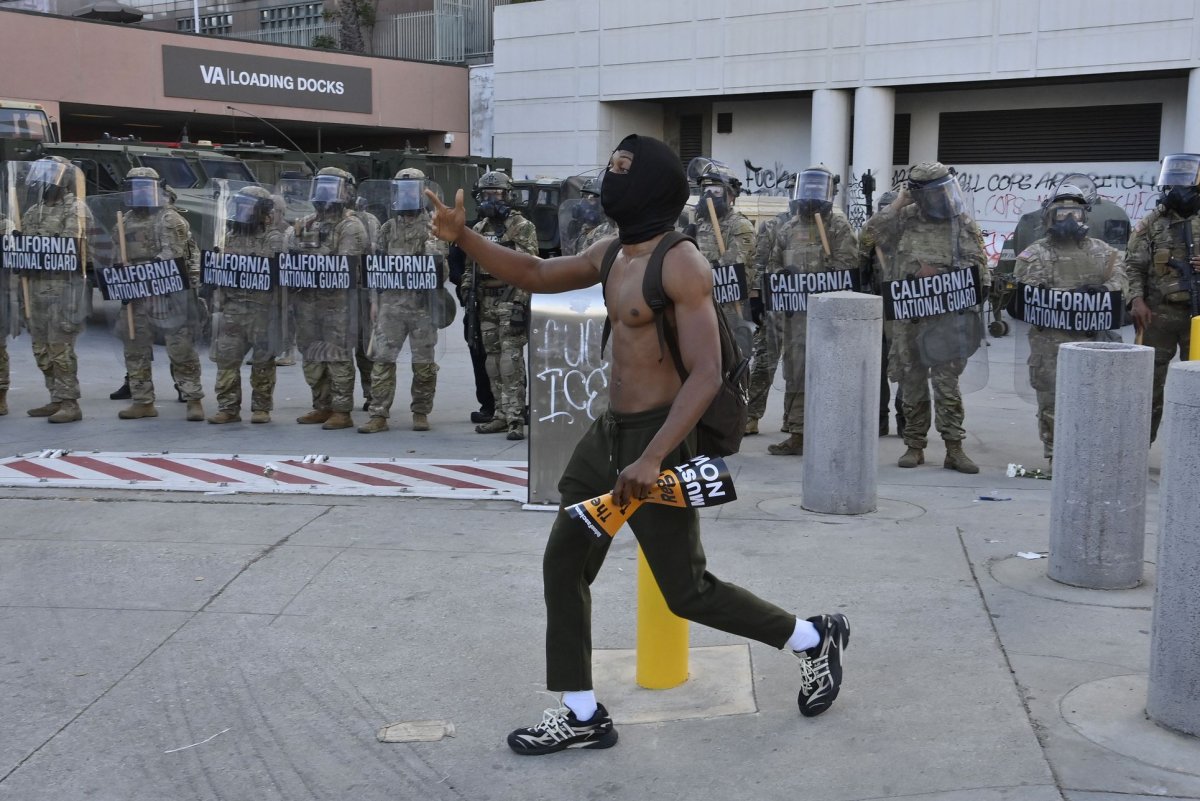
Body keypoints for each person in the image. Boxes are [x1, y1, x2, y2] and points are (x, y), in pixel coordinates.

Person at [426, 134, 849, 756]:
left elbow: (705, 373)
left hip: (660, 443)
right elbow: (538, 273)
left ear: (650, 183)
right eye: (611, 166)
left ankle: (813, 638)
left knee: (686, 591)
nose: (611, 176)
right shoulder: (614, 253)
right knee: (564, 563)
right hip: (608, 434)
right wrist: (463, 237)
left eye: (623, 168)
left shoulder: (680, 263)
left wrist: (653, 457)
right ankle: (580, 711)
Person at [869, 161, 988, 473]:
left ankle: (954, 448)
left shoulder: (960, 222)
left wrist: (940, 274)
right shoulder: (903, 219)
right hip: (908, 319)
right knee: (912, 384)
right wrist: (897, 204)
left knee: (947, 385)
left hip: (946, 319)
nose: (942, 199)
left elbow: (979, 269)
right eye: (934, 194)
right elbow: (867, 237)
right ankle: (914, 446)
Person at [1014, 185, 1127, 471]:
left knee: (1094, 399)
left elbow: (1121, 282)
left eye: (1074, 213)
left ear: (1084, 216)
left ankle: (1089, 453)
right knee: (1051, 399)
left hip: (1091, 338)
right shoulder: (1035, 253)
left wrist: (1101, 289)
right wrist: (1069, 297)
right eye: (1061, 213)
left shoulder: (1104, 252)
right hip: (1049, 339)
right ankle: (1055, 455)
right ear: (1049, 217)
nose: (1068, 219)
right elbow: (1028, 289)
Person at [765, 165, 858, 456]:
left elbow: (850, 268)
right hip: (796, 318)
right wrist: (782, 275)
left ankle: (833, 430)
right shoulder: (788, 228)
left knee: (832, 374)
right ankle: (797, 432)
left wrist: (828, 269)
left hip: (830, 318)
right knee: (795, 372)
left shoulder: (838, 227)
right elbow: (773, 265)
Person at [107, 167, 205, 421]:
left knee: (180, 347)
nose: (139, 193)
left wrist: (138, 271)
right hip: (136, 294)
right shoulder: (125, 219)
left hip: (168, 293)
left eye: (144, 187)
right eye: (134, 187)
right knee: (135, 347)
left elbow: (171, 255)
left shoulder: (169, 219)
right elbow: (116, 253)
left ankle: (193, 398)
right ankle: (142, 400)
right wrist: (119, 270)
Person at [359, 168, 446, 434]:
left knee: (424, 364)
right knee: (382, 361)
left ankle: (421, 411)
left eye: (413, 190)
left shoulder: (434, 226)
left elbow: (442, 272)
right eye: (403, 190)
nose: (407, 196)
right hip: (391, 305)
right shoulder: (387, 228)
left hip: (422, 306)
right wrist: (375, 301)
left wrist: (432, 245)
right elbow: (376, 267)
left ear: (422, 193)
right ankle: (378, 414)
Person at [284, 166, 368, 430]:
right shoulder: (308, 222)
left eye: (332, 189)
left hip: (338, 303)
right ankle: (322, 405)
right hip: (307, 301)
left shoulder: (351, 226)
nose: (325, 195)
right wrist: (297, 240)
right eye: (321, 188)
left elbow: (344, 264)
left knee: (338, 356)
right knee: (311, 354)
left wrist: (305, 251)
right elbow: (288, 251)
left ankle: (342, 411)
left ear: (347, 193)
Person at [1124, 153, 1200, 442]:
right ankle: (1139, 445)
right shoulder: (1153, 223)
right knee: (1147, 385)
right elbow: (1133, 265)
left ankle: (1191, 450)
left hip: (1198, 317)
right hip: (1158, 315)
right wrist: (1137, 300)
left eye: (1186, 182)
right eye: (1174, 181)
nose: (1179, 189)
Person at [460, 170, 538, 440]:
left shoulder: (522, 226)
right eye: (486, 194)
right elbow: (470, 266)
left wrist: (520, 303)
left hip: (510, 298)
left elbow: (530, 268)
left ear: (509, 196)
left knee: (510, 362)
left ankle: (516, 419)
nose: (491, 199)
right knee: (491, 362)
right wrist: (466, 291)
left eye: (497, 194)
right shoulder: (479, 229)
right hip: (484, 302)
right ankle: (500, 415)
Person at [17, 156, 91, 423]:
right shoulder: (32, 211)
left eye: (52, 174)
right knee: (41, 349)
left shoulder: (75, 209)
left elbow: (71, 247)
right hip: (35, 289)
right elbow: (22, 251)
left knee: (60, 348)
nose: (46, 179)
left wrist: (34, 247)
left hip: (63, 290)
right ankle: (55, 397)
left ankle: (70, 403)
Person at [206, 185, 283, 424]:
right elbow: (218, 273)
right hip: (234, 308)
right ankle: (228, 407)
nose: (243, 212)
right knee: (226, 360)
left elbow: (280, 276)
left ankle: (261, 408)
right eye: (241, 207)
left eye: (249, 208)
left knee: (263, 363)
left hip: (263, 310)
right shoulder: (228, 237)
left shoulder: (274, 239)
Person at [858, 190, 913, 437]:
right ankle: (879, 419)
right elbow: (861, 255)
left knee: (908, 367)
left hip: (907, 310)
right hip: (877, 310)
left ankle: (907, 420)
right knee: (876, 368)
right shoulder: (873, 239)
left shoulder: (911, 236)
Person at [690, 158, 756, 359]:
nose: (710, 195)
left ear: (731, 195)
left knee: (729, 361)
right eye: (706, 190)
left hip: (729, 309)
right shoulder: (698, 224)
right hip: (698, 304)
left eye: (716, 191)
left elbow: (732, 266)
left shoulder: (740, 226)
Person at [744, 206, 790, 436]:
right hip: (774, 303)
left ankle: (795, 419)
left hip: (807, 307)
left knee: (800, 366)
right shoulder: (774, 225)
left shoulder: (831, 225)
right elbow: (759, 261)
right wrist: (755, 298)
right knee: (764, 361)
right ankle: (751, 415)